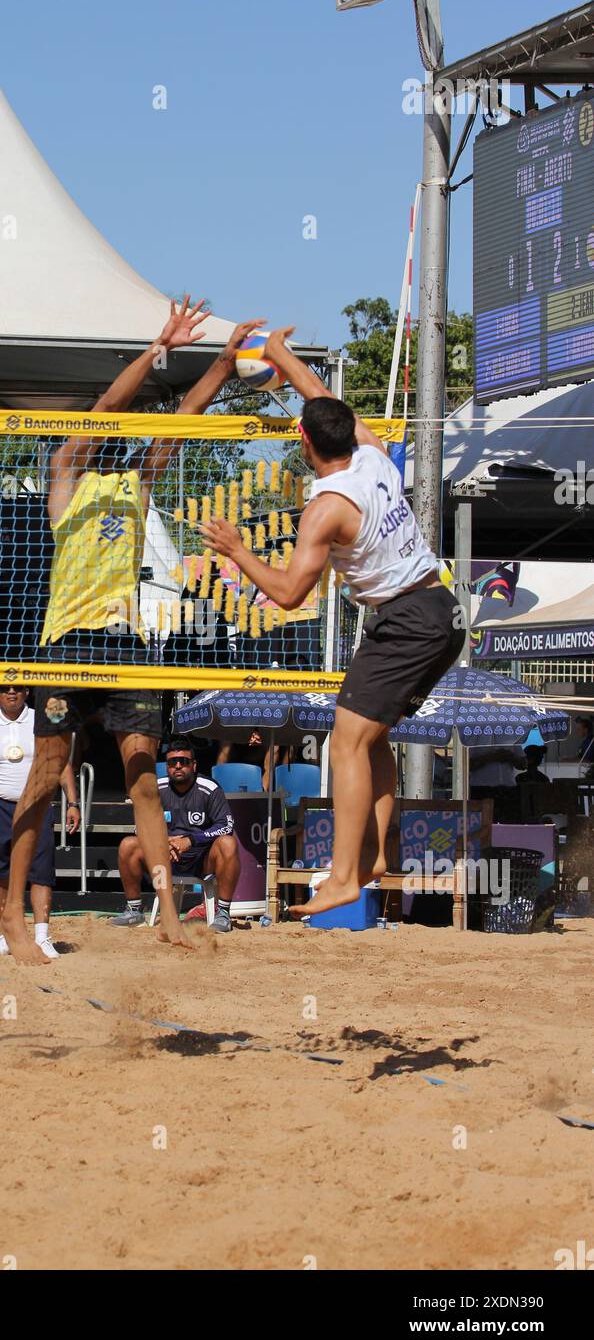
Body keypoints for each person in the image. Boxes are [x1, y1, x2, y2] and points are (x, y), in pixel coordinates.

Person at [0, 302, 266, 962]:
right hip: (67, 645)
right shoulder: (65, 477)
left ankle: (168, 914)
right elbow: (104, 414)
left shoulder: (136, 486)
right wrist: (158, 348)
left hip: (122, 644)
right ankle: (10, 906)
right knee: (45, 775)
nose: (106, 439)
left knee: (143, 780)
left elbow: (182, 421)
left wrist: (227, 363)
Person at [201, 325, 466, 917]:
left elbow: (293, 595)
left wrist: (237, 550)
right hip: (443, 613)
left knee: (343, 742)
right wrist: (278, 353)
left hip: (406, 621)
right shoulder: (371, 454)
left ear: (302, 440)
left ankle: (345, 875)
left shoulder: (325, 508)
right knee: (371, 739)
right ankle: (374, 854)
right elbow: (318, 392)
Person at [0, 684, 79, 960]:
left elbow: (62, 763)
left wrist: (73, 802)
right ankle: (9, 933)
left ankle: (42, 936)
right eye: (4, 689)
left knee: (41, 872)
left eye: (17, 688)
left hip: (37, 805)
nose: (11, 692)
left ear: (26, 692)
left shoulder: (42, 721)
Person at [113, 737, 240, 932]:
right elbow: (141, 826)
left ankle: (223, 913)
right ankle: (134, 910)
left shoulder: (209, 788)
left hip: (201, 859)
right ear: (167, 767)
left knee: (228, 844)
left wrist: (191, 840)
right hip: (163, 858)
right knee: (128, 845)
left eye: (184, 761)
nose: (178, 766)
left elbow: (226, 824)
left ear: (194, 765)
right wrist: (162, 842)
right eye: (173, 762)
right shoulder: (156, 787)